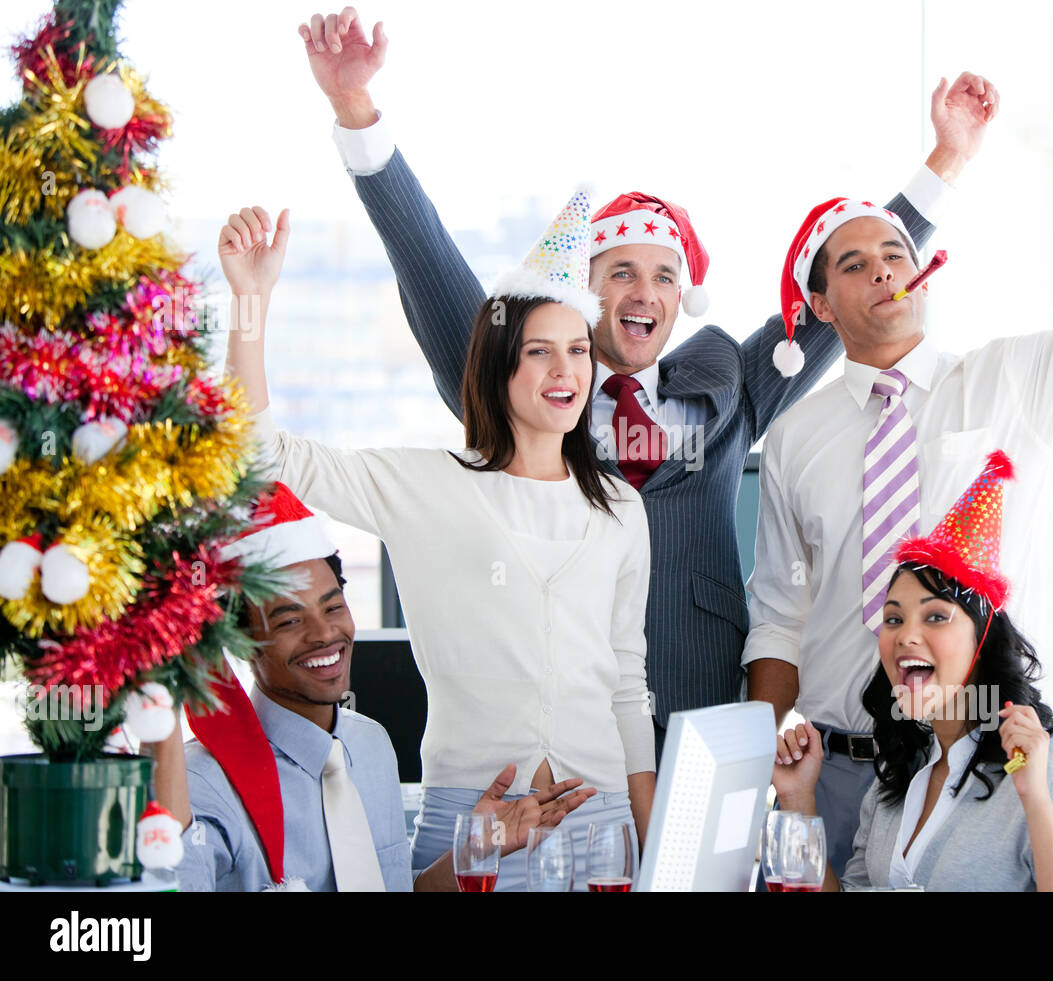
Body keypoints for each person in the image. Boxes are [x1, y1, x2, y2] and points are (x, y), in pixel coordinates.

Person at [295, 6, 998, 756]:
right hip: (563, 722)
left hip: (700, 712)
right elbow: (427, 258)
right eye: (621, 272)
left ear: (681, 297)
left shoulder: (725, 381)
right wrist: (356, 113)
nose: (645, 292)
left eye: (665, 276)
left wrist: (945, 164)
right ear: (581, 291)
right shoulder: (526, 384)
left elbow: (846, 293)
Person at [744, 21, 1053, 878]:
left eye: (897, 250)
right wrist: (766, 773)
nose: (886, 269)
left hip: (967, 764)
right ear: (819, 305)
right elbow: (780, 614)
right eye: (854, 264)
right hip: (830, 768)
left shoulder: (1009, 384)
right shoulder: (794, 437)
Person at [218, 186, 656, 891]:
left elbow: (628, 686)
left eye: (578, 349)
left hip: (601, 830)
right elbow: (261, 456)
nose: (565, 370)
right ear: (497, 365)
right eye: (539, 351)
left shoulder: (621, 510)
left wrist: (651, 839)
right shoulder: (425, 487)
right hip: (475, 826)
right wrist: (248, 300)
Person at [146, 482, 595, 891]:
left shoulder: (370, 744)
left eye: (333, 607)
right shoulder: (203, 783)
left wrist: (478, 847)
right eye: (289, 620)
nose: (324, 634)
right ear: (241, 642)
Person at [771, 451, 1053, 891]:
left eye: (935, 617)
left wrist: (1036, 799)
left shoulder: (1051, 768)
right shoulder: (898, 771)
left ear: (982, 639)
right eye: (893, 619)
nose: (905, 636)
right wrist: (796, 801)